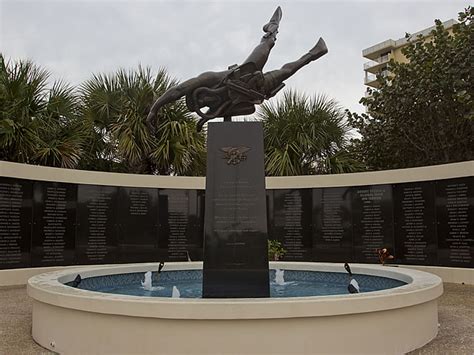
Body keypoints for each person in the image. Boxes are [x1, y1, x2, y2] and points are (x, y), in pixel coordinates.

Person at [146, 6, 328, 132]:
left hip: (244, 73)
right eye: (202, 104)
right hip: (256, 87)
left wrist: (156, 107)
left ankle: (272, 26)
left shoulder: (209, 79)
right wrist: (202, 121)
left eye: (200, 98)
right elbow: (214, 113)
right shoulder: (215, 107)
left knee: (267, 44)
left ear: (199, 93)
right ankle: (316, 52)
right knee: (287, 71)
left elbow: (178, 90)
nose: (205, 100)